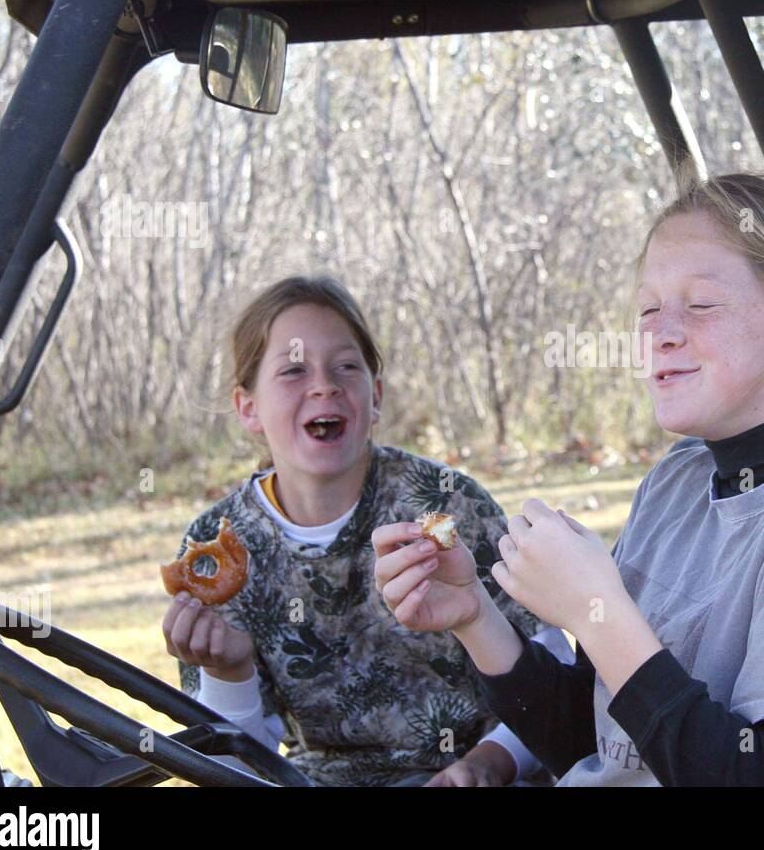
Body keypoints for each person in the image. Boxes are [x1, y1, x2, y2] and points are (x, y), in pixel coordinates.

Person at [374, 172, 764, 785]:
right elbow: (601, 750)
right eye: (649, 308)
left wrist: (599, 616)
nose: (661, 333)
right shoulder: (681, 478)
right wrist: (474, 616)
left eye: (700, 305)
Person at [161, 274, 571, 786]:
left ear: (374, 397)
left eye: (346, 367)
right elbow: (233, 764)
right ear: (248, 408)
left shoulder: (443, 506)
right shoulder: (218, 545)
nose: (323, 385)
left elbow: (553, 671)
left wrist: (491, 762)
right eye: (292, 370)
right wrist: (228, 674)